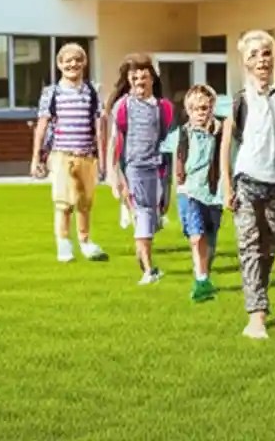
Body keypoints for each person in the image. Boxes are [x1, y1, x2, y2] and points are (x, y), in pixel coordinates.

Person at [220, 29, 275, 340]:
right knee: (250, 248)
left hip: (274, 182)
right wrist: (227, 187)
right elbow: (226, 146)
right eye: (253, 54)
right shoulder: (239, 100)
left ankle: (259, 299)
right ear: (244, 63)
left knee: (270, 248)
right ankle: (257, 317)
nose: (261, 59)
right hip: (247, 181)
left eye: (266, 53)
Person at [29, 43, 106, 263]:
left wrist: (102, 160)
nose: (73, 64)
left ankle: (86, 242)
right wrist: (36, 158)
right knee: (63, 202)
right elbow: (42, 126)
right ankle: (64, 244)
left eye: (78, 59)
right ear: (59, 64)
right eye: (68, 60)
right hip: (61, 154)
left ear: (84, 63)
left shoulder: (92, 91)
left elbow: (99, 127)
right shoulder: (51, 93)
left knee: (85, 202)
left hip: (87, 154)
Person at [109, 53, 175, 285]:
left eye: (144, 77)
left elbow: (168, 141)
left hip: (158, 170)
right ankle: (148, 271)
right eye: (134, 77)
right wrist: (117, 176)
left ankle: (146, 263)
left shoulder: (163, 108)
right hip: (134, 169)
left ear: (152, 79)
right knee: (145, 215)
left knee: (153, 219)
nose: (139, 82)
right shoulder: (123, 106)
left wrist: (171, 177)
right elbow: (116, 143)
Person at [175, 84, 226, 303]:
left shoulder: (220, 132)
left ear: (212, 108)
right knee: (196, 237)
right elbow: (176, 157)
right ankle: (201, 279)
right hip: (189, 191)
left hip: (212, 194)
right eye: (195, 109)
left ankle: (204, 277)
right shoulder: (184, 132)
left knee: (210, 243)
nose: (199, 113)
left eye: (204, 108)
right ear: (188, 110)